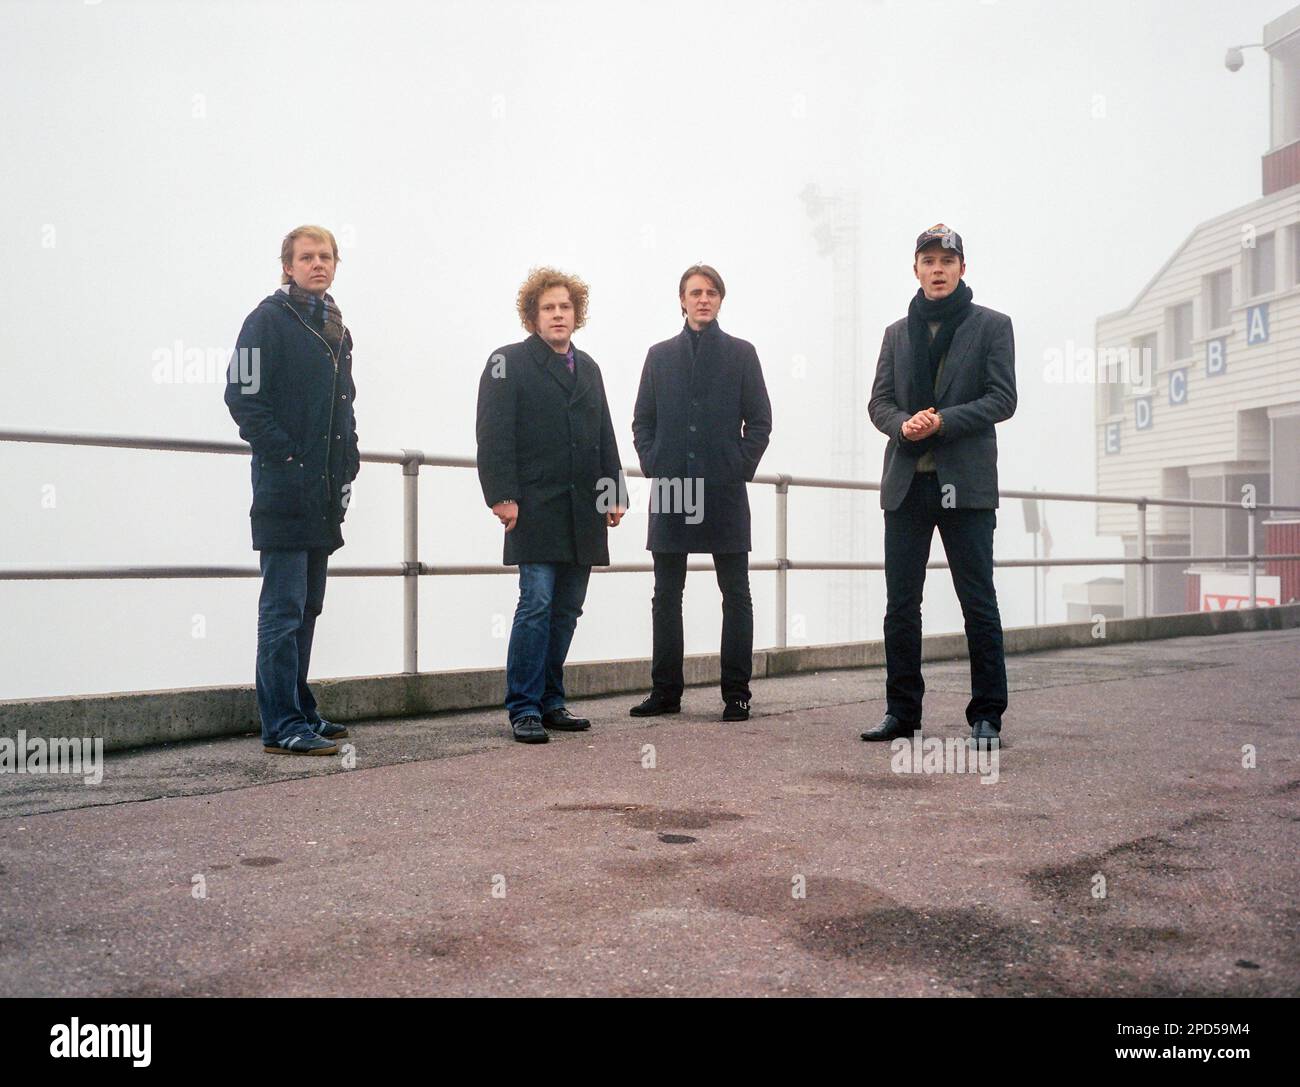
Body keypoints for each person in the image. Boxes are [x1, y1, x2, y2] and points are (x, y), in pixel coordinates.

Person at [863, 224, 1016, 749]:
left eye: (946, 261)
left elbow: (1003, 399)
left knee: (977, 600)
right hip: (907, 485)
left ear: (962, 269)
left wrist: (943, 421)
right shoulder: (895, 334)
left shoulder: (992, 326)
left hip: (966, 488)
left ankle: (987, 714)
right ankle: (901, 712)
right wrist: (902, 425)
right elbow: (879, 401)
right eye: (928, 261)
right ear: (916, 270)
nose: (937, 269)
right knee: (901, 605)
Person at [224, 225, 360, 756]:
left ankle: (301, 707)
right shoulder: (267, 320)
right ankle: (280, 724)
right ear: (288, 266)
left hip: (324, 492)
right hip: (283, 488)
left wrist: (348, 458)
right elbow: (242, 395)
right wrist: (284, 453)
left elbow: (344, 403)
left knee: (309, 606)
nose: (317, 264)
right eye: (306, 257)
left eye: (325, 256)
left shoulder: (337, 328)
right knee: (282, 608)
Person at [476, 267, 625, 744]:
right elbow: (493, 435)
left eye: (565, 307)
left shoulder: (591, 368)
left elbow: (605, 435)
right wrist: (501, 494)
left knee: (568, 608)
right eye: (548, 308)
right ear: (533, 316)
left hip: (583, 508)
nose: (558, 314)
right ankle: (523, 707)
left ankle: (551, 700)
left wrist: (613, 494)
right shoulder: (506, 361)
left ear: (576, 313)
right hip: (534, 505)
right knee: (536, 603)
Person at [629, 264, 772, 722]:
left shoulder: (741, 354)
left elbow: (761, 422)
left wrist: (738, 465)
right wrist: (653, 462)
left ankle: (737, 694)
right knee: (666, 592)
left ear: (720, 300)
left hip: (724, 488)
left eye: (711, 292)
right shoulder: (659, 355)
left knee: (736, 592)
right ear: (682, 300)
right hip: (672, 486)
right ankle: (665, 692)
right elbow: (642, 421)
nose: (703, 299)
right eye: (695, 292)